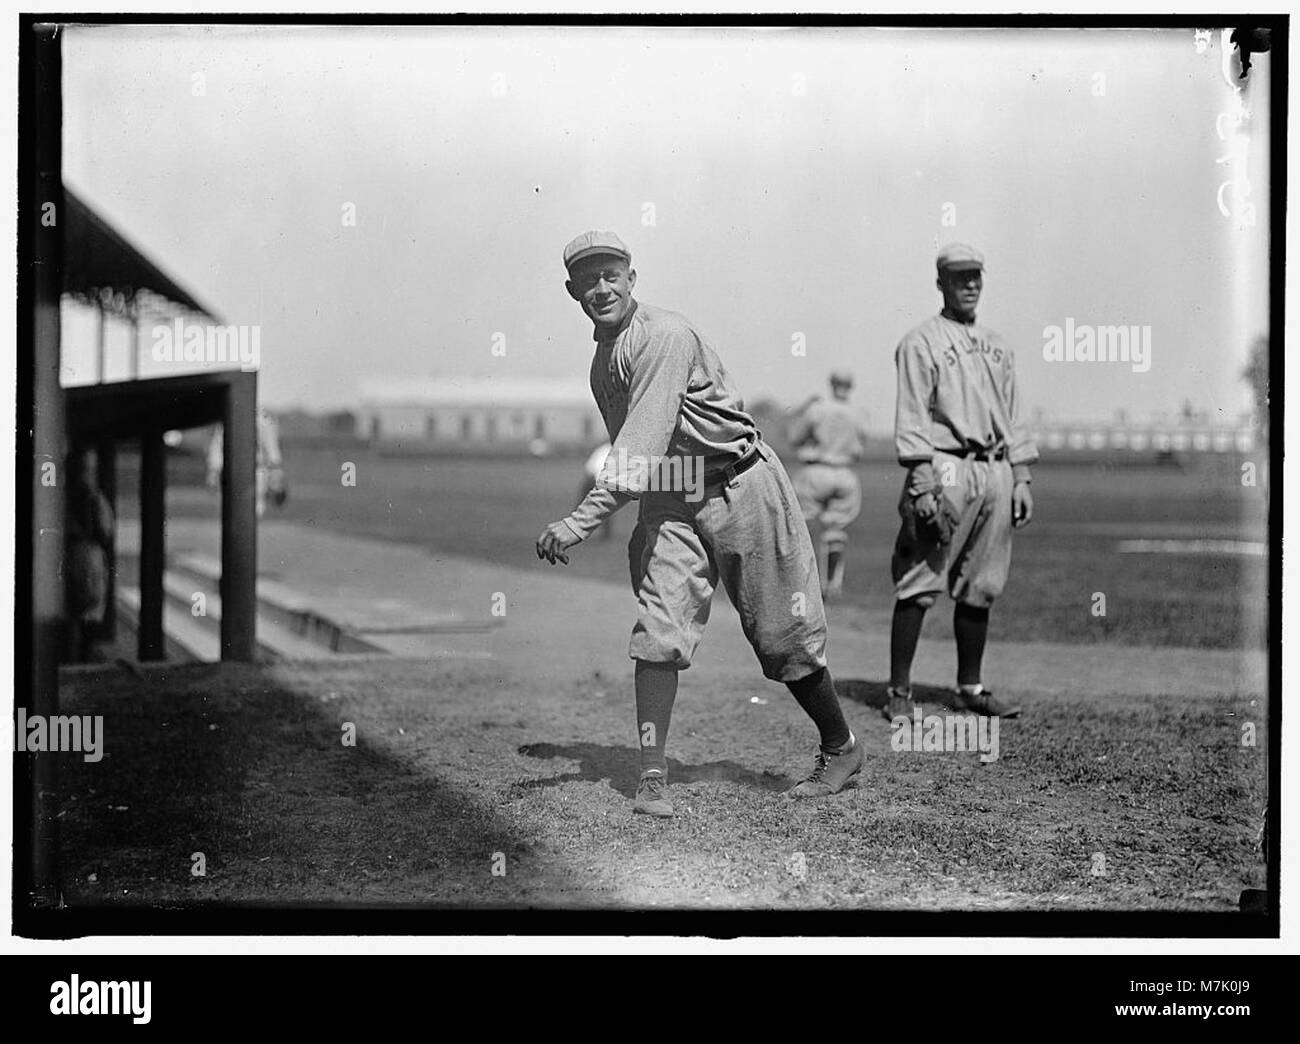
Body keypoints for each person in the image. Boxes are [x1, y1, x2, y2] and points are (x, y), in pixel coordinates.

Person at [535, 230, 863, 817]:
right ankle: (653, 774)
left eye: (612, 274)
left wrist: (583, 520)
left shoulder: (662, 335)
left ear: (632, 279)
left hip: (739, 481)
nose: (602, 287)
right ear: (572, 292)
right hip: (673, 491)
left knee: (780, 635)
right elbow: (645, 453)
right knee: (658, 628)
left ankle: (841, 747)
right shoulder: (601, 362)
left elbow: (638, 446)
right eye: (588, 280)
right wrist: (646, 522)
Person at [885, 243, 1038, 723]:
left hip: (994, 469)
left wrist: (1021, 476)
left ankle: (971, 687)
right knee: (920, 580)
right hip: (945, 464)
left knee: (982, 583)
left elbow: (1013, 416)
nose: (970, 283)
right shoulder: (920, 341)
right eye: (959, 276)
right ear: (941, 283)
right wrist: (922, 481)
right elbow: (912, 415)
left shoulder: (999, 344)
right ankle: (900, 692)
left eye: (976, 275)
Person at [788, 371, 869, 598]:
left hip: (817, 470)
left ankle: (807, 582)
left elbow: (795, 438)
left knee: (804, 526)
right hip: (845, 473)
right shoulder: (859, 414)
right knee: (835, 530)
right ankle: (833, 583)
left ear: (831, 384)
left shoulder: (817, 409)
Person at [64, 447, 114, 661]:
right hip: (87, 553)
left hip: (69, 551)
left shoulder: (62, 493)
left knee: (73, 608)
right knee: (89, 609)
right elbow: (105, 529)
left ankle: (74, 653)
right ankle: (83, 653)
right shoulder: (93, 497)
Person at [206, 406, 287, 517]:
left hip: (256, 471)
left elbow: (272, 449)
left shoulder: (263, 420)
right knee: (230, 511)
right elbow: (217, 446)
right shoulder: (229, 419)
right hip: (232, 471)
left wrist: (276, 473)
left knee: (253, 511)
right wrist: (214, 471)